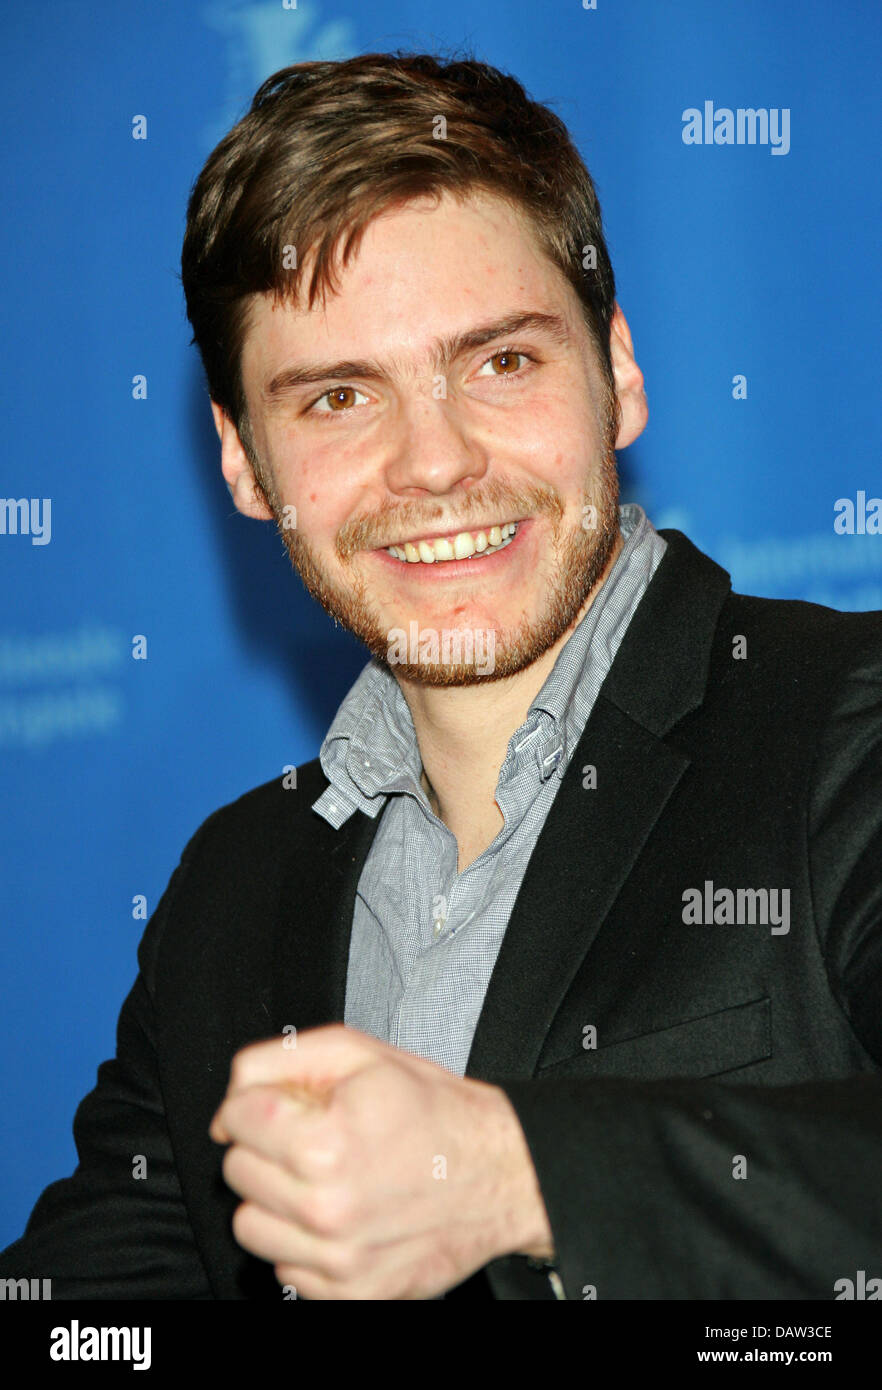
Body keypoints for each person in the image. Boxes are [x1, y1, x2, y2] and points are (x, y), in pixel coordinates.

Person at [1, 51, 880, 1302]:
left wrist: (517, 1175)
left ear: (617, 370)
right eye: (340, 395)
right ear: (246, 466)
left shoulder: (851, 728)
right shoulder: (231, 894)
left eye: (499, 362)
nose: (435, 461)